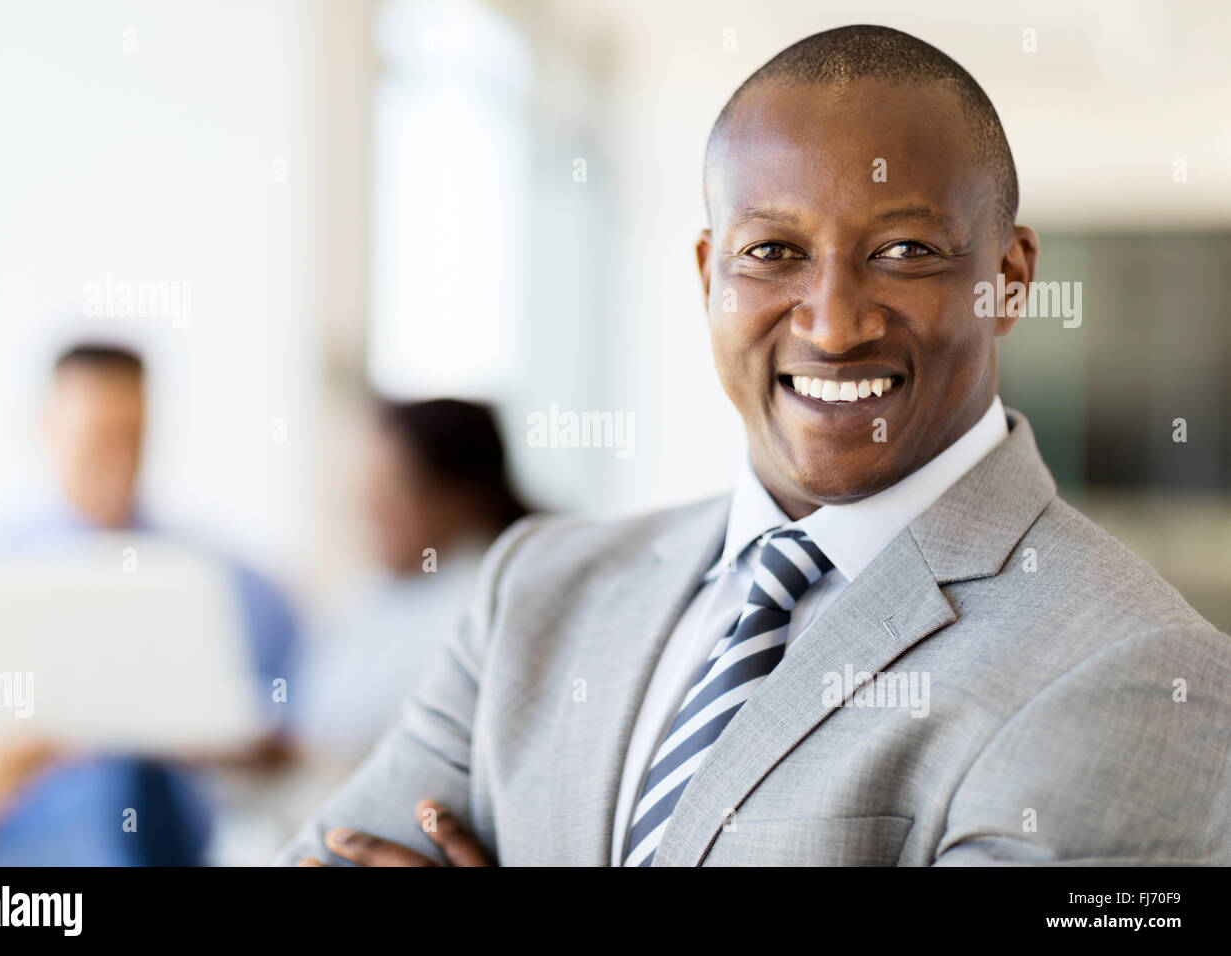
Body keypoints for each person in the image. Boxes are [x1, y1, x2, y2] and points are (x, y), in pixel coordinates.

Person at [279, 25, 1231, 867]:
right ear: (709, 275)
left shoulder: (1139, 675)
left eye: (905, 252)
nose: (833, 324)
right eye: (773, 252)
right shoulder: (535, 591)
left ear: (1010, 278)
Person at [0, 342, 297, 865]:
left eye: (133, 438)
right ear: (46, 429)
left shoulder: (235, 586)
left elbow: (299, 755)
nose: (116, 463)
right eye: (95, 439)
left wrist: (239, 744)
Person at [294, 396, 530, 761]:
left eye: (391, 493)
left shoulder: (486, 606)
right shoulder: (371, 595)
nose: (372, 513)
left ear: (462, 498)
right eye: (368, 494)